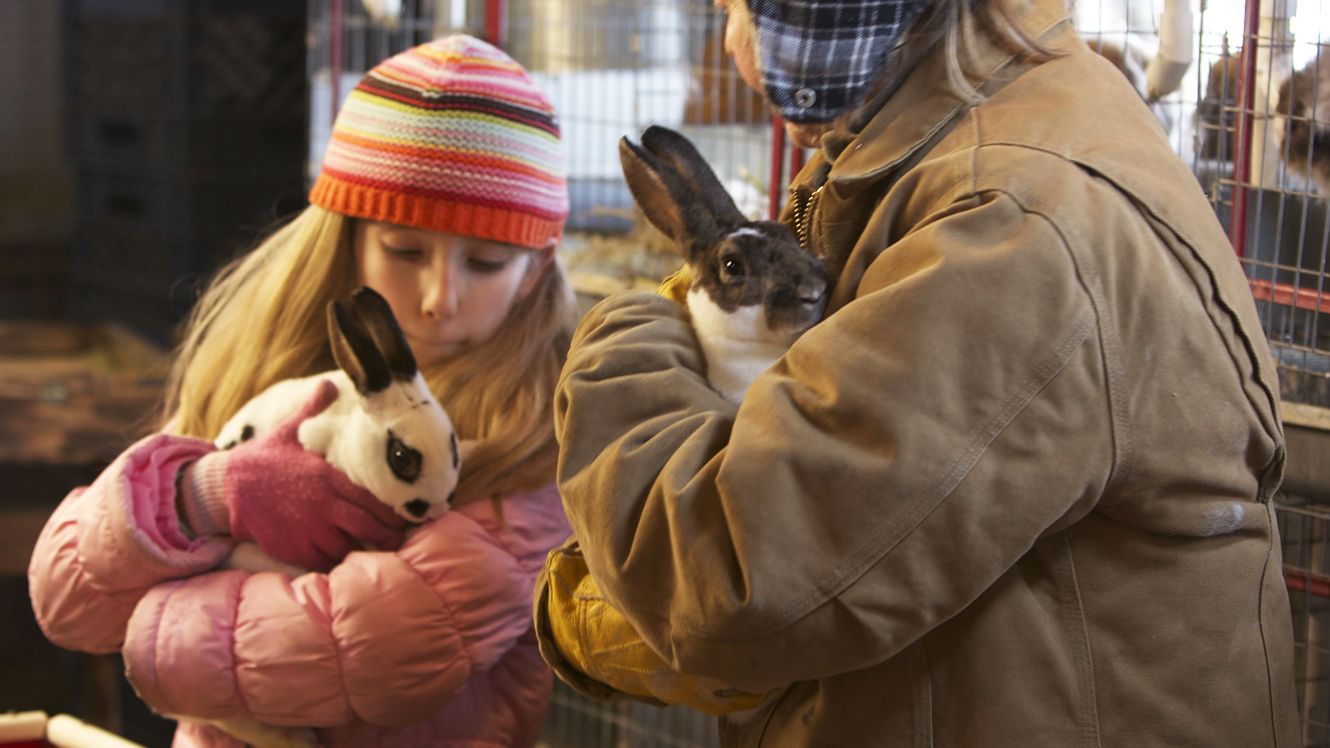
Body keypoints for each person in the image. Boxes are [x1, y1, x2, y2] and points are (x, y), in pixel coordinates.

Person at [535, 0, 1302, 745]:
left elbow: (735, 584)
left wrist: (624, 335)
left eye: (738, 4)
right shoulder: (946, 133)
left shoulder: (1008, 226)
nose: (734, 39)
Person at [29, 34, 574, 747]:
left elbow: (361, 657)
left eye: (487, 262)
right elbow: (69, 602)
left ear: (533, 273)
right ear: (345, 238)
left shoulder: (534, 446)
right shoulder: (269, 372)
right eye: (404, 251)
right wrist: (207, 492)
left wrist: (165, 584)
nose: (442, 297)